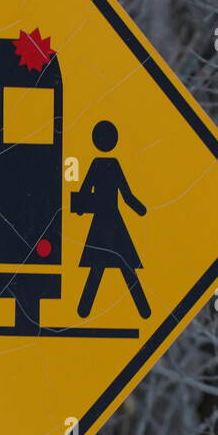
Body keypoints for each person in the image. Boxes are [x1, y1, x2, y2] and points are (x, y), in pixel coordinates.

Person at [71, 120, 151, 319]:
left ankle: (84, 310)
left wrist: (80, 207)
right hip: (113, 221)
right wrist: (141, 210)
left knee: (102, 264)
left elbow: (84, 191)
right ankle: (143, 310)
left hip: (102, 222)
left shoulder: (97, 164)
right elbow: (127, 195)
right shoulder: (111, 164)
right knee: (123, 264)